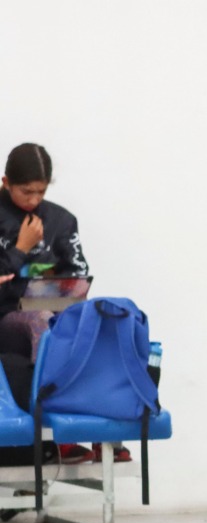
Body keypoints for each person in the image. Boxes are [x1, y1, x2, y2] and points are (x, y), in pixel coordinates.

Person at [0, 143, 100, 464]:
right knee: (40, 320)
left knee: (97, 317)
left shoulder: (61, 221)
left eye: (40, 192)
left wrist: (58, 285)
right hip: (7, 318)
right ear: (5, 183)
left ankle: (99, 430)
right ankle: (54, 431)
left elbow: (77, 276)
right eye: (26, 192)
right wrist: (21, 248)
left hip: (51, 312)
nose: (33, 200)